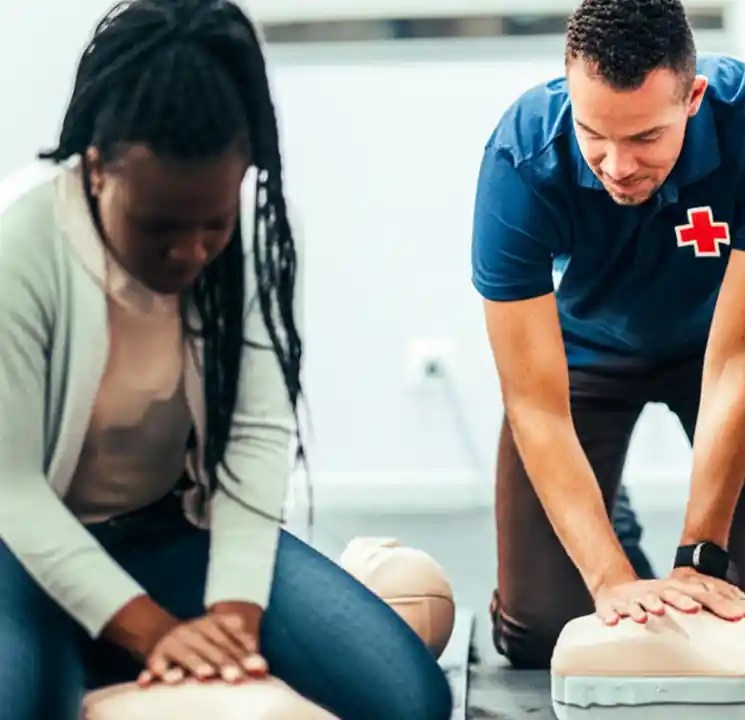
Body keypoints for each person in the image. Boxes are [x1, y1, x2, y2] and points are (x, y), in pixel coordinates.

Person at [0, 2, 451, 718]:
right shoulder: (21, 240)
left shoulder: (258, 237)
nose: (189, 252)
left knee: (410, 700)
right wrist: (152, 632)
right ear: (95, 172)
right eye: (156, 227)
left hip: (165, 534)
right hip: (17, 555)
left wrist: (232, 622)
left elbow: (257, 434)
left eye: (212, 222)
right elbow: (12, 490)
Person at [471, 0, 745, 668]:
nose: (616, 165)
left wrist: (700, 557)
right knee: (542, 630)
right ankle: (615, 522)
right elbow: (533, 400)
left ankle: (623, 521)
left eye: (645, 138)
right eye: (594, 135)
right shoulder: (521, 159)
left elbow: (740, 357)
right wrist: (609, 576)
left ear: (692, 98)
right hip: (580, 360)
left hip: (721, 348)